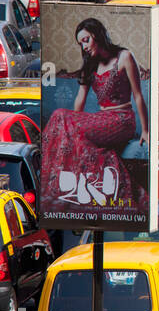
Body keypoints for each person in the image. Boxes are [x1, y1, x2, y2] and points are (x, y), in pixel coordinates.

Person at [40, 17, 150, 218]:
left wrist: (145, 130)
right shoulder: (90, 65)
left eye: (86, 40)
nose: (84, 46)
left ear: (97, 35)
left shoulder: (124, 57)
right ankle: (57, 185)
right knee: (61, 117)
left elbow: (138, 95)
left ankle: (62, 187)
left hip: (122, 119)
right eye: (80, 43)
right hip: (101, 119)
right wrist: (74, 126)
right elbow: (79, 100)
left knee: (61, 117)